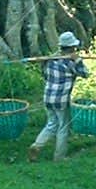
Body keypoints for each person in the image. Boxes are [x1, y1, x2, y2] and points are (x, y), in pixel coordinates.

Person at [27, 31, 88, 163]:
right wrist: (78, 60)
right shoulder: (69, 63)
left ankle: (37, 145)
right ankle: (59, 157)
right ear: (72, 48)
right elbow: (84, 74)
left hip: (48, 98)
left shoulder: (50, 61)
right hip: (61, 100)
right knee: (63, 127)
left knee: (51, 124)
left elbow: (45, 75)